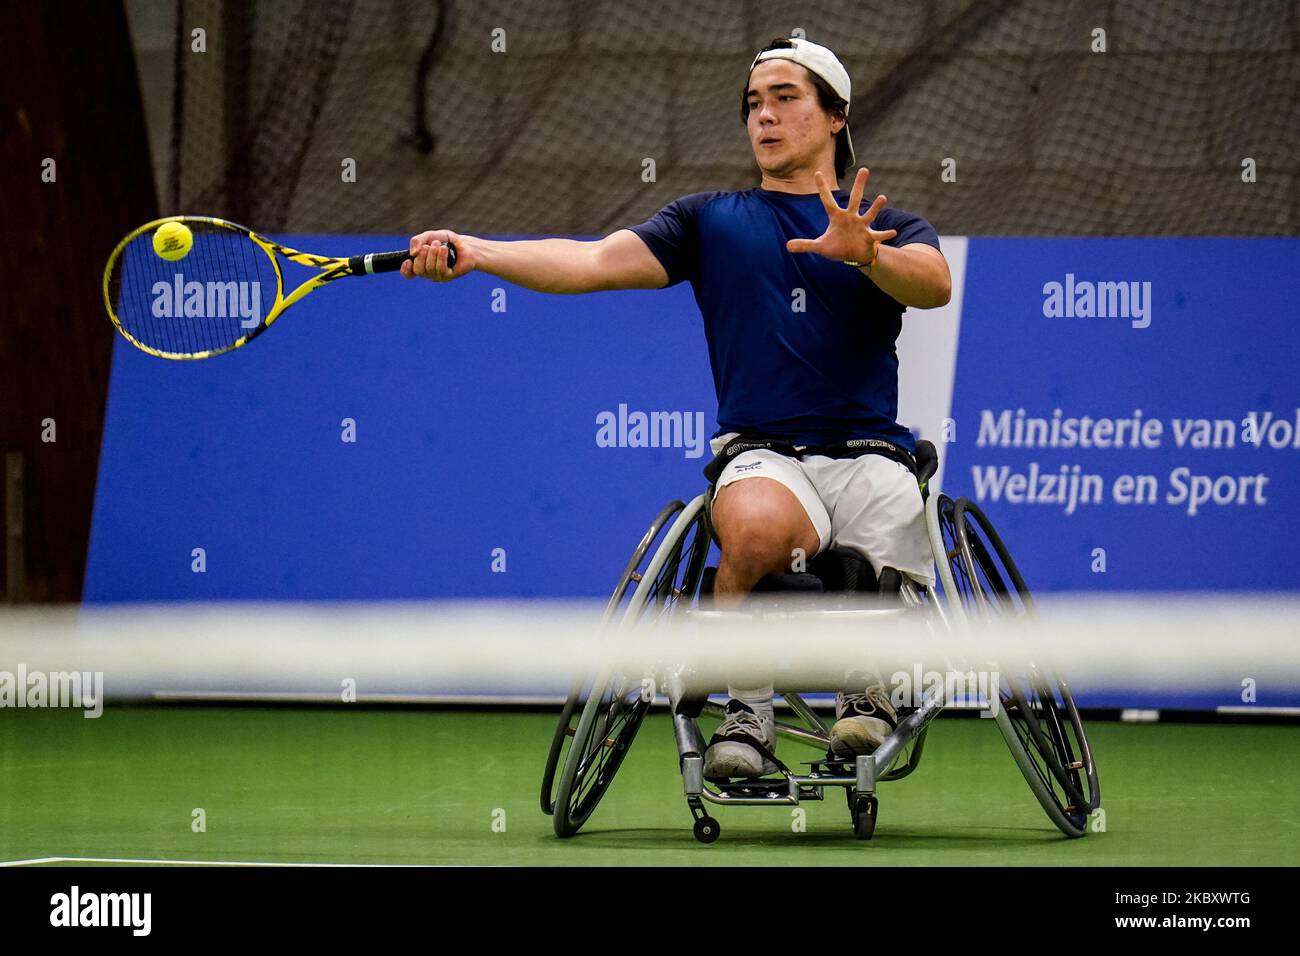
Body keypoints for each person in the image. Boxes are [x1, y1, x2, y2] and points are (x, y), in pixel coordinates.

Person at [402, 37, 951, 779]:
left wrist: (867, 255)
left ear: (836, 115)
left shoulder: (882, 222)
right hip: (764, 452)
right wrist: (479, 251)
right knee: (754, 530)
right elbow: (592, 261)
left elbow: (932, 284)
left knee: (893, 517)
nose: (764, 116)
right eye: (753, 103)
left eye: (786, 97)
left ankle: (871, 695)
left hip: (869, 454)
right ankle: (748, 712)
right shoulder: (709, 220)